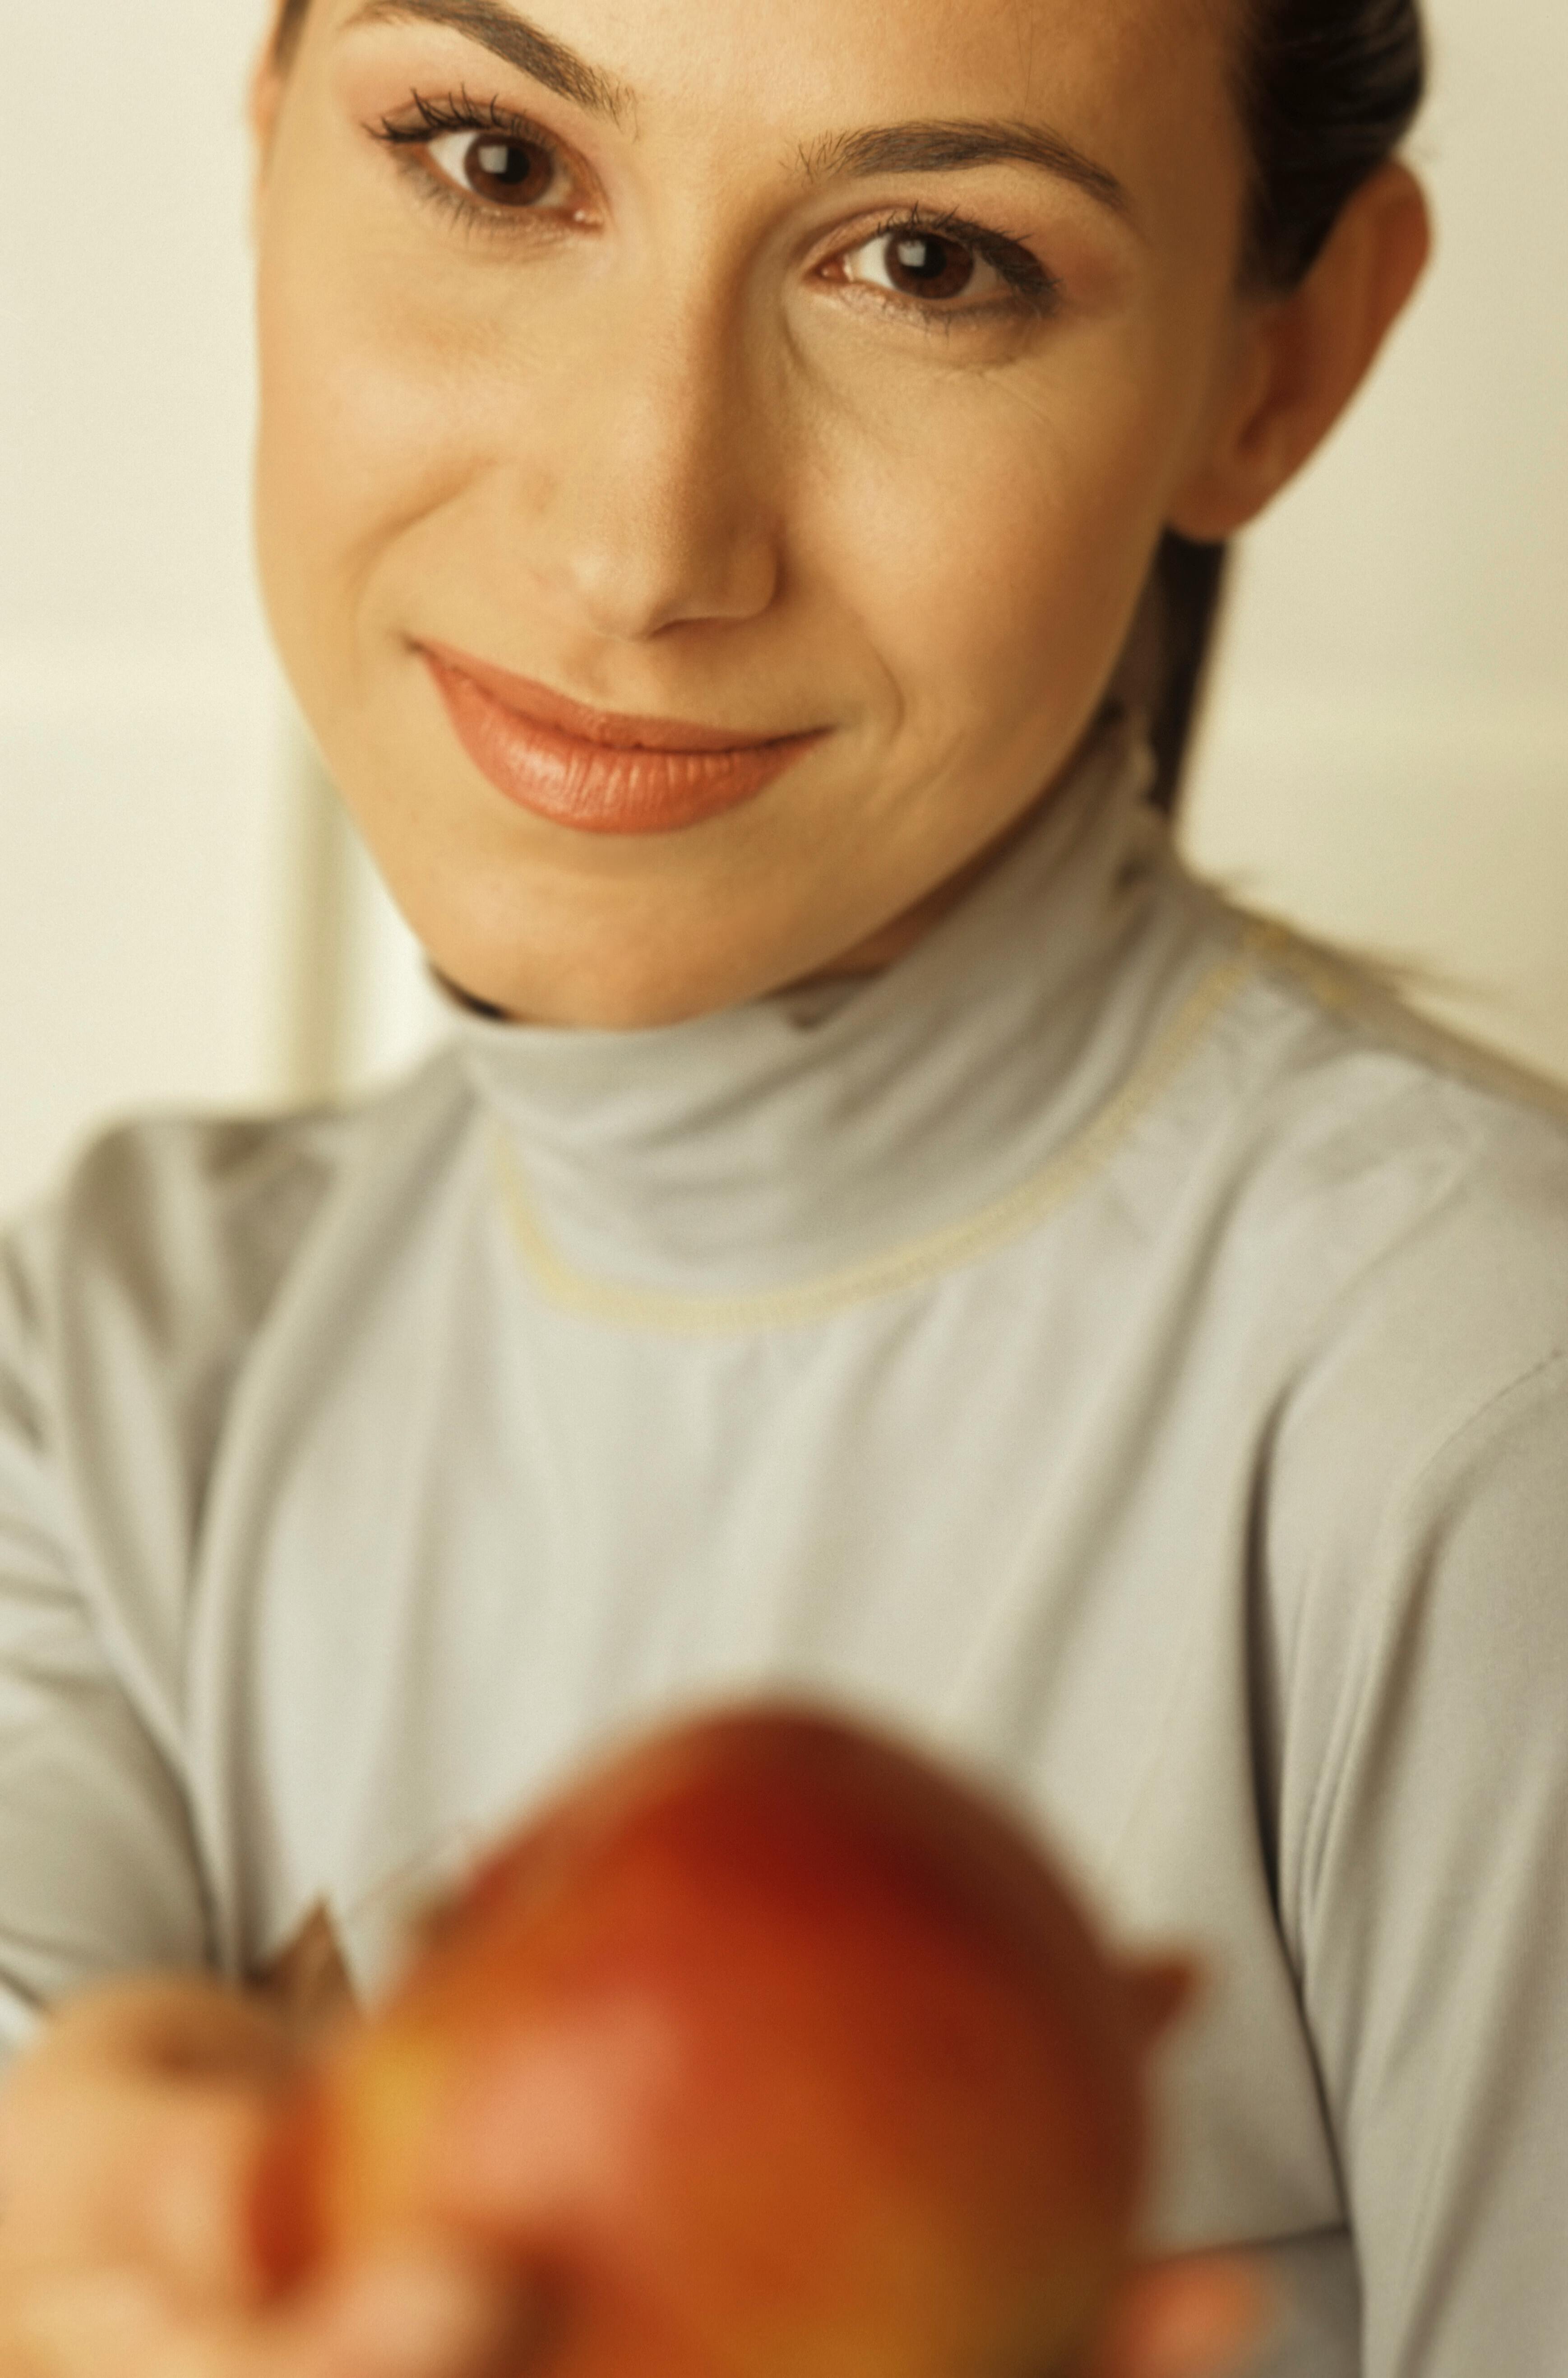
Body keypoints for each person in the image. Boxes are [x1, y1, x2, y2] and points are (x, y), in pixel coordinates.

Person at [2, 0, 1564, 2372]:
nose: (640, 540)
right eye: (497, 165)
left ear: (1283, 364)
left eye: (930, 262)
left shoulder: (1483, 1413)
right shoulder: (118, 1364)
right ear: (263, 135)